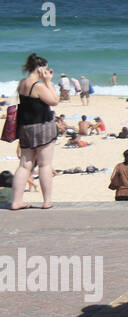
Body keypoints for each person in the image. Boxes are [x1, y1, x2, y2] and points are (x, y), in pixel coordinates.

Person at [11, 54, 59, 210]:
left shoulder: (22, 83)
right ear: (40, 68)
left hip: (25, 127)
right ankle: (47, 201)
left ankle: (17, 200)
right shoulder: (37, 86)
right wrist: (48, 82)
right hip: (42, 127)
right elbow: (54, 101)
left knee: (25, 165)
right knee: (45, 165)